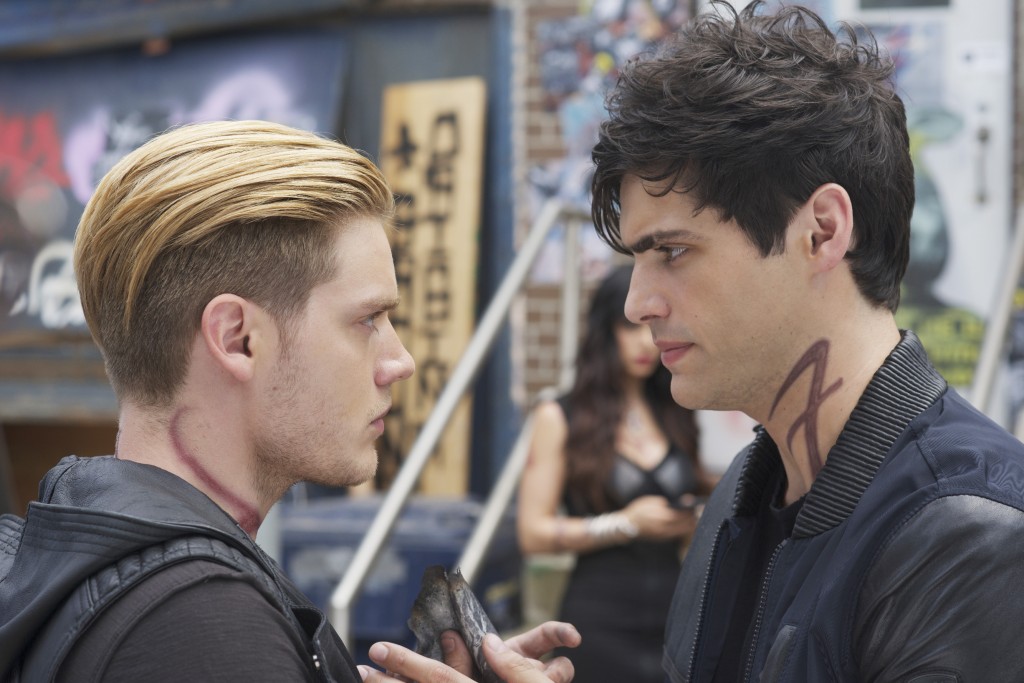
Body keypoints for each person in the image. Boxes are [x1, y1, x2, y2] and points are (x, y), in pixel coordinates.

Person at [0, 119, 579, 683]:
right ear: (237, 339)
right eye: (368, 319)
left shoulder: (77, 546)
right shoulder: (207, 628)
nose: (399, 361)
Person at [589, 1, 1024, 681]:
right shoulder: (739, 496)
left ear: (822, 231)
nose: (639, 303)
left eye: (672, 251)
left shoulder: (972, 529)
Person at [517, 263, 710, 683]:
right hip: (599, 619)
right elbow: (532, 533)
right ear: (606, 330)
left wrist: (690, 517)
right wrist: (625, 524)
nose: (645, 342)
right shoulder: (560, 416)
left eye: (654, 327)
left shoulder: (677, 411)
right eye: (630, 327)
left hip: (674, 614)